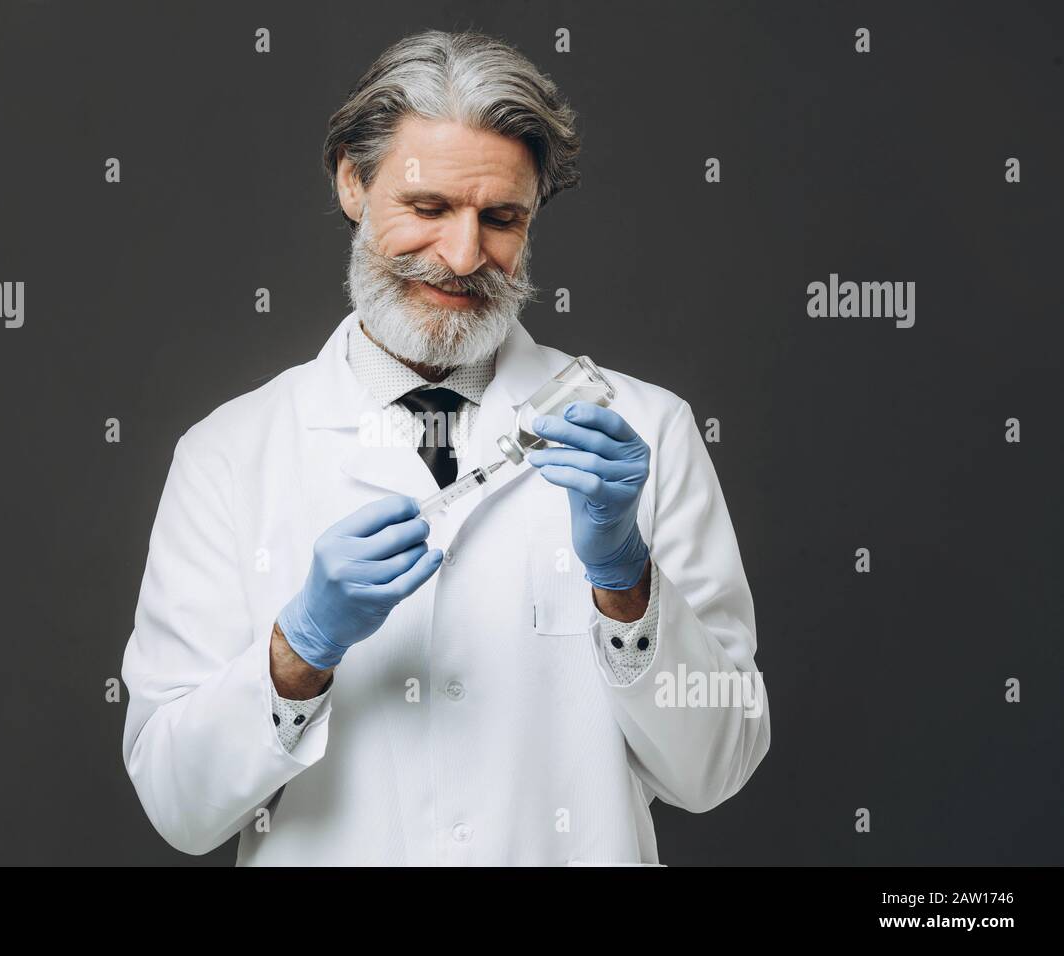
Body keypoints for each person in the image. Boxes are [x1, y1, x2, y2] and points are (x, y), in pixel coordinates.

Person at [120, 29, 769, 865]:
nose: (463, 257)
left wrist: (627, 582)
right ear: (354, 183)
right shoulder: (229, 455)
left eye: (501, 219)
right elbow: (178, 805)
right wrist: (300, 648)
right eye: (428, 209)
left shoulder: (646, 433)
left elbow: (716, 769)